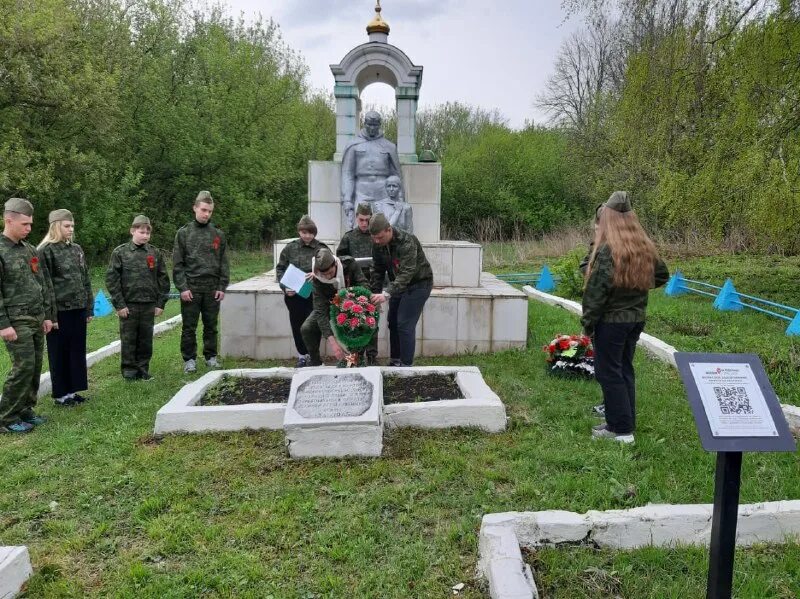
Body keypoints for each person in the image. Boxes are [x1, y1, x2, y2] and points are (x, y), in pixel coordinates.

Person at [582, 191, 669, 444]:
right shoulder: (642, 246)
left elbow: (596, 292)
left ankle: (619, 430)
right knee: (624, 370)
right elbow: (662, 275)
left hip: (611, 321)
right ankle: (626, 423)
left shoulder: (609, 249)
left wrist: (588, 323)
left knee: (608, 373)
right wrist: (636, 285)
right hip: (635, 318)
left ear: (609, 219)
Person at [0, 198, 56, 434]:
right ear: (8, 220)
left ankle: (25, 410)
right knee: (23, 367)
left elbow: (40, 282)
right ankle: (6, 417)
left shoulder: (30, 249)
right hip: (15, 320)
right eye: (24, 224)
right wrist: (3, 325)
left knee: (34, 367)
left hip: (35, 317)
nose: (29, 229)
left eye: (31, 224)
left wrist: (45, 315)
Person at [38, 209, 94, 406]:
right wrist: (50, 316)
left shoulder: (76, 249)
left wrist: (89, 308)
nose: (70, 230)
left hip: (78, 308)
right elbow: (46, 286)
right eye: (66, 226)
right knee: (59, 352)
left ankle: (72, 390)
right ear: (56, 226)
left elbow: (85, 279)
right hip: (59, 311)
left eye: (72, 226)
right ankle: (60, 394)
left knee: (76, 351)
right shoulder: (45, 251)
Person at [106, 215, 170, 381]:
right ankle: (129, 371)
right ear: (132, 231)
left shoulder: (154, 253)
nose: (145, 236)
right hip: (129, 304)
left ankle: (143, 369)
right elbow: (112, 280)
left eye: (148, 233)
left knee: (145, 340)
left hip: (149, 304)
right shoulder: (120, 252)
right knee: (128, 339)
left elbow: (163, 279)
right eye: (142, 232)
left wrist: (160, 303)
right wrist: (119, 305)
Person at [173, 191, 230, 374]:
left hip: (212, 289)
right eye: (203, 210)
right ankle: (189, 359)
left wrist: (222, 286)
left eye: (210, 211)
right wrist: (182, 287)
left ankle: (211, 356)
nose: (206, 214)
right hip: (191, 288)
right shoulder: (183, 233)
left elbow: (223, 262)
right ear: (195, 208)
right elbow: (178, 263)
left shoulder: (218, 234)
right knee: (189, 326)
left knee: (211, 325)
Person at [369, 213, 433, 367]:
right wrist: (374, 295)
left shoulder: (407, 242)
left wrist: (386, 293)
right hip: (397, 285)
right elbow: (377, 270)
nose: (377, 241)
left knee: (404, 324)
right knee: (392, 322)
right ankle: (395, 360)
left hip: (418, 284)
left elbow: (406, 273)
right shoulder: (377, 243)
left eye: (380, 237)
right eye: (374, 238)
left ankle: (406, 367)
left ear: (389, 229)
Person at [301, 248, 370, 366]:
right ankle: (315, 363)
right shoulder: (317, 278)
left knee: (358, 323)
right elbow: (320, 312)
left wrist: (353, 294)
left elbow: (364, 285)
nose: (327, 277)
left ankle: (355, 360)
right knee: (307, 328)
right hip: (330, 304)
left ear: (335, 264)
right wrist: (333, 343)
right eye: (324, 274)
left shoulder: (349, 264)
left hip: (352, 302)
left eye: (330, 273)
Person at [275, 215, 328, 367]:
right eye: (304, 232)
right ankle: (302, 356)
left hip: (315, 294)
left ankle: (314, 356)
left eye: (310, 232)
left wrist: (316, 274)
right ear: (299, 232)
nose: (307, 236)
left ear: (314, 233)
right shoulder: (290, 248)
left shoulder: (321, 248)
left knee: (313, 326)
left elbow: (331, 267)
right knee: (297, 324)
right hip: (294, 295)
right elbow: (280, 269)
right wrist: (285, 287)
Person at [340, 111, 403, 227]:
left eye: (375, 125)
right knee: (360, 229)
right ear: (364, 124)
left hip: (383, 193)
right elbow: (347, 173)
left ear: (379, 125)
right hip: (361, 192)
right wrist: (347, 199)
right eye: (369, 124)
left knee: (384, 228)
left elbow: (396, 174)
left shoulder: (389, 146)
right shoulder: (354, 145)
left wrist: (400, 198)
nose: (372, 128)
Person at [336, 203, 378, 364]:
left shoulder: (376, 236)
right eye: (361, 220)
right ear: (356, 218)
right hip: (354, 286)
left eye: (367, 220)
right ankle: (355, 355)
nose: (364, 223)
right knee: (353, 320)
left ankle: (372, 356)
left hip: (373, 283)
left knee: (372, 321)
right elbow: (339, 260)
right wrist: (351, 262)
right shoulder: (349, 237)